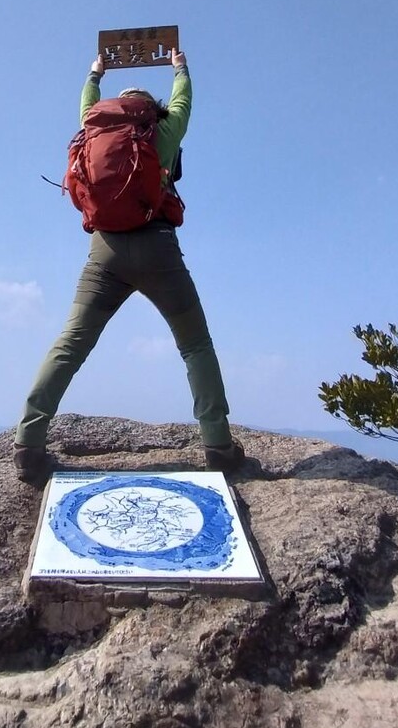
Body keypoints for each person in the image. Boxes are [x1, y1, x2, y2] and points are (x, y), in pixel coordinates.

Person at [13, 47, 244, 481]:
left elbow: (85, 102)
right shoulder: (163, 130)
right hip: (158, 247)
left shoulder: (92, 126)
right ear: (148, 111)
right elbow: (184, 101)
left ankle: (28, 444)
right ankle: (218, 445)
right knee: (195, 346)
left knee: (72, 343)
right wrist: (180, 67)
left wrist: (94, 73)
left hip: (105, 253)